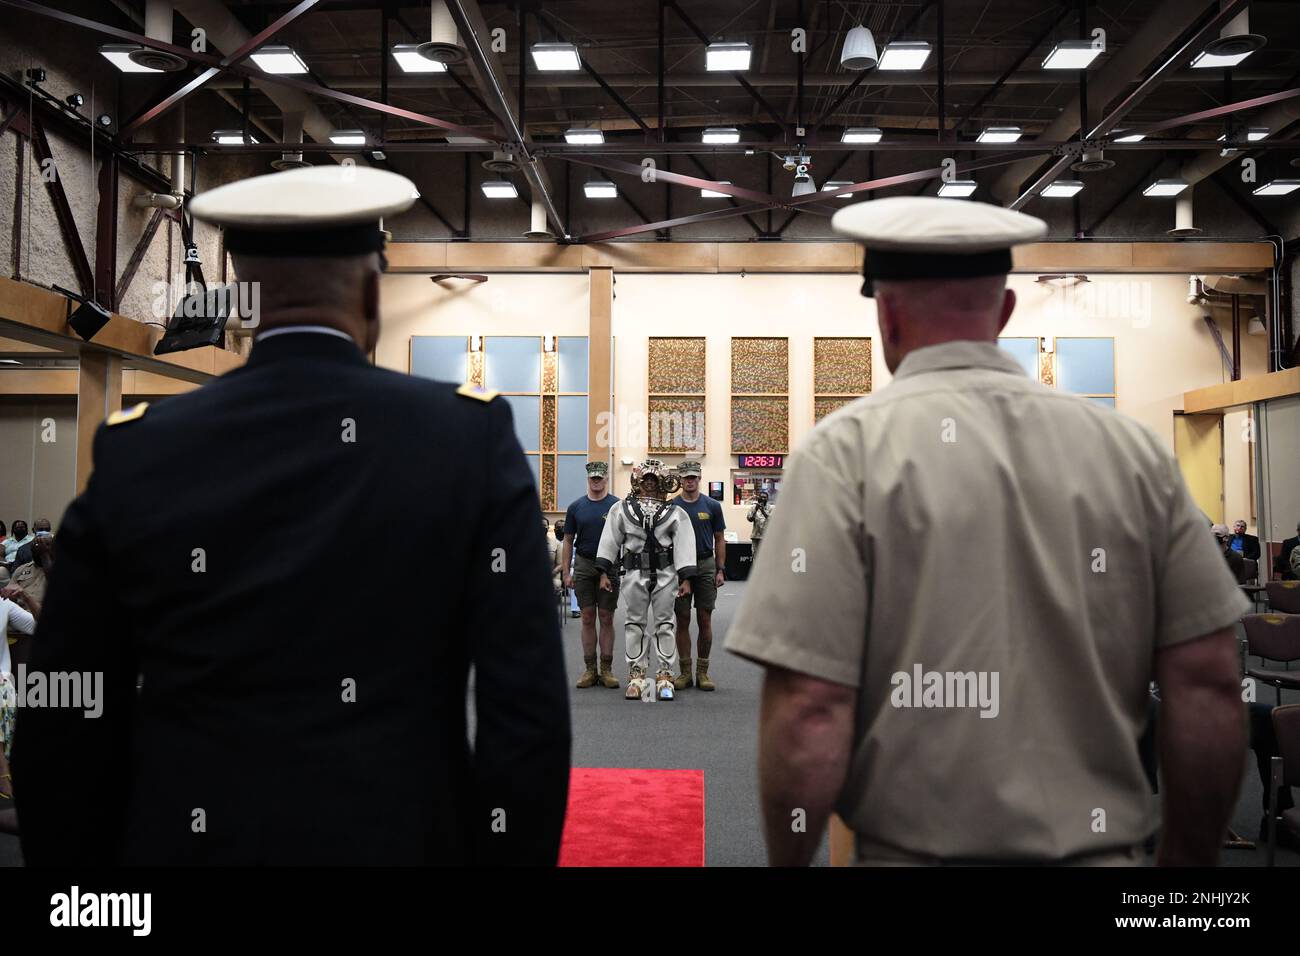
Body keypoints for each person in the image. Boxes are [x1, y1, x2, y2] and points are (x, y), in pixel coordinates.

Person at [14, 165, 571, 866]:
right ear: (373, 292)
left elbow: (66, 706)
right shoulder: (467, 440)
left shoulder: (141, 447)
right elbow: (527, 712)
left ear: (243, 294)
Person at [727, 196, 1249, 867]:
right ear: (1002, 313)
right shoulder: (1134, 453)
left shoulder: (841, 456)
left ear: (884, 313)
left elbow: (809, 707)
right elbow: (1206, 681)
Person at [595, 460, 695, 702]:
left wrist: (686, 578)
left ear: (663, 482)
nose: (650, 484)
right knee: (634, 623)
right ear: (637, 482)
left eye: (654, 479)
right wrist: (603, 571)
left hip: (666, 573)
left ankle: (665, 675)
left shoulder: (675, 512)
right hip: (633, 573)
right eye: (646, 479)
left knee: (665, 624)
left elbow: (684, 543)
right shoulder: (622, 509)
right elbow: (610, 539)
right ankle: (636, 675)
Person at [561, 461, 621, 689]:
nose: (596, 482)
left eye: (600, 478)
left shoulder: (617, 506)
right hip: (585, 565)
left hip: (610, 566)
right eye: (593, 479)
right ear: (588, 480)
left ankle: (606, 669)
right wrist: (567, 572)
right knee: (587, 617)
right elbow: (567, 541)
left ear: (606, 479)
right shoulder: (576, 507)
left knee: (606, 617)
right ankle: (590, 669)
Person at [671, 460, 726, 692]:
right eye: (686, 477)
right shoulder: (672, 506)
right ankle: (684, 672)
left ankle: (702, 672)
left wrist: (720, 569)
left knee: (704, 618)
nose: (690, 481)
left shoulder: (712, 505)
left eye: (693, 477)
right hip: (680, 566)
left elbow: (720, 538)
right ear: (680, 479)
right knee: (681, 618)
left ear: (699, 478)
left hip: (705, 564)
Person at [0, 588, 38, 801]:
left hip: (3, 683)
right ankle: (3, 771)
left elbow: (39, 626)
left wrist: (26, 597)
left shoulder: (3, 604)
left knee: (4, 692)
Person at [7, 532, 53, 671]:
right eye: (35, 544)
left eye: (44, 545)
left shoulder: (62, 569)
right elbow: (9, 595)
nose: (38, 547)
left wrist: (45, 555)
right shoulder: (22, 569)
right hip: (19, 617)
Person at [746, 490, 771, 559]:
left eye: (765, 497)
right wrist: (755, 510)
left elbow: (771, 520)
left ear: (767, 498)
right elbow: (749, 519)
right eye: (761, 497)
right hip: (756, 536)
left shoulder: (771, 508)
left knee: (766, 557)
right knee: (755, 557)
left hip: (766, 537)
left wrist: (763, 511)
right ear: (758, 498)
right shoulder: (753, 507)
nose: (763, 499)